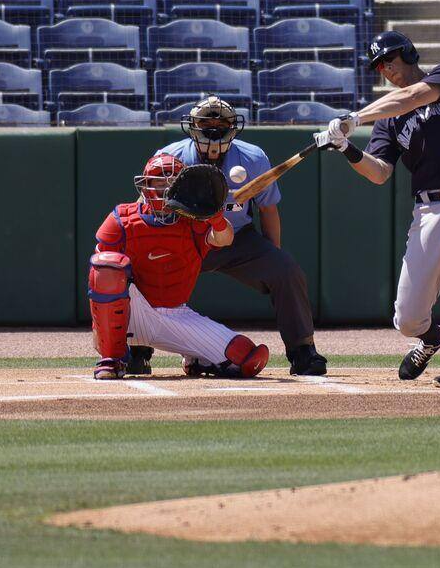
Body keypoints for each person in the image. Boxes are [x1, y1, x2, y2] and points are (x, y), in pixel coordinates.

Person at [315, 31, 440, 387]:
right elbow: (379, 172)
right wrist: (346, 148)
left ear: (408, 54)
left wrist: (354, 118)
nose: (386, 69)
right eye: (379, 66)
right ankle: (433, 337)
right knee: (406, 319)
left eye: (390, 60)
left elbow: (414, 97)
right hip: (429, 211)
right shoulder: (388, 119)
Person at [133, 96, 327, 376]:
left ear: (232, 128)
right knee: (143, 274)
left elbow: (268, 210)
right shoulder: (171, 157)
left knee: (287, 270)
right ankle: (138, 349)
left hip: (236, 237)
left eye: (220, 123)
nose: (213, 128)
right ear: (193, 127)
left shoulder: (253, 158)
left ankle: (302, 350)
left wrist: (273, 259)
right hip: (182, 237)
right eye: (206, 123)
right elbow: (147, 205)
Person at [89, 153, 270, 380]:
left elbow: (224, 239)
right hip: (131, 313)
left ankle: (199, 360)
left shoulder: (194, 220)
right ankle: (112, 359)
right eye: (159, 181)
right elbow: (98, 272)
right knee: (106, 266)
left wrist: (216, 218)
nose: (166, 188)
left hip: (176, 313)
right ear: (145, 185)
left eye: (172, 183)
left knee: (246, 357)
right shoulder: (121, 219)